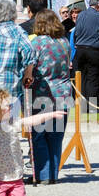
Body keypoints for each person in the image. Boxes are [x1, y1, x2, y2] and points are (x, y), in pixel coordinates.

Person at [27, 9, 72, 184]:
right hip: (64, 92)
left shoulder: (37, 43)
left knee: (39, 135)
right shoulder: (64, 41)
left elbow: (30, 66)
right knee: (56, 136)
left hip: (42, 92)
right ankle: (53, 174)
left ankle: (43, 174)